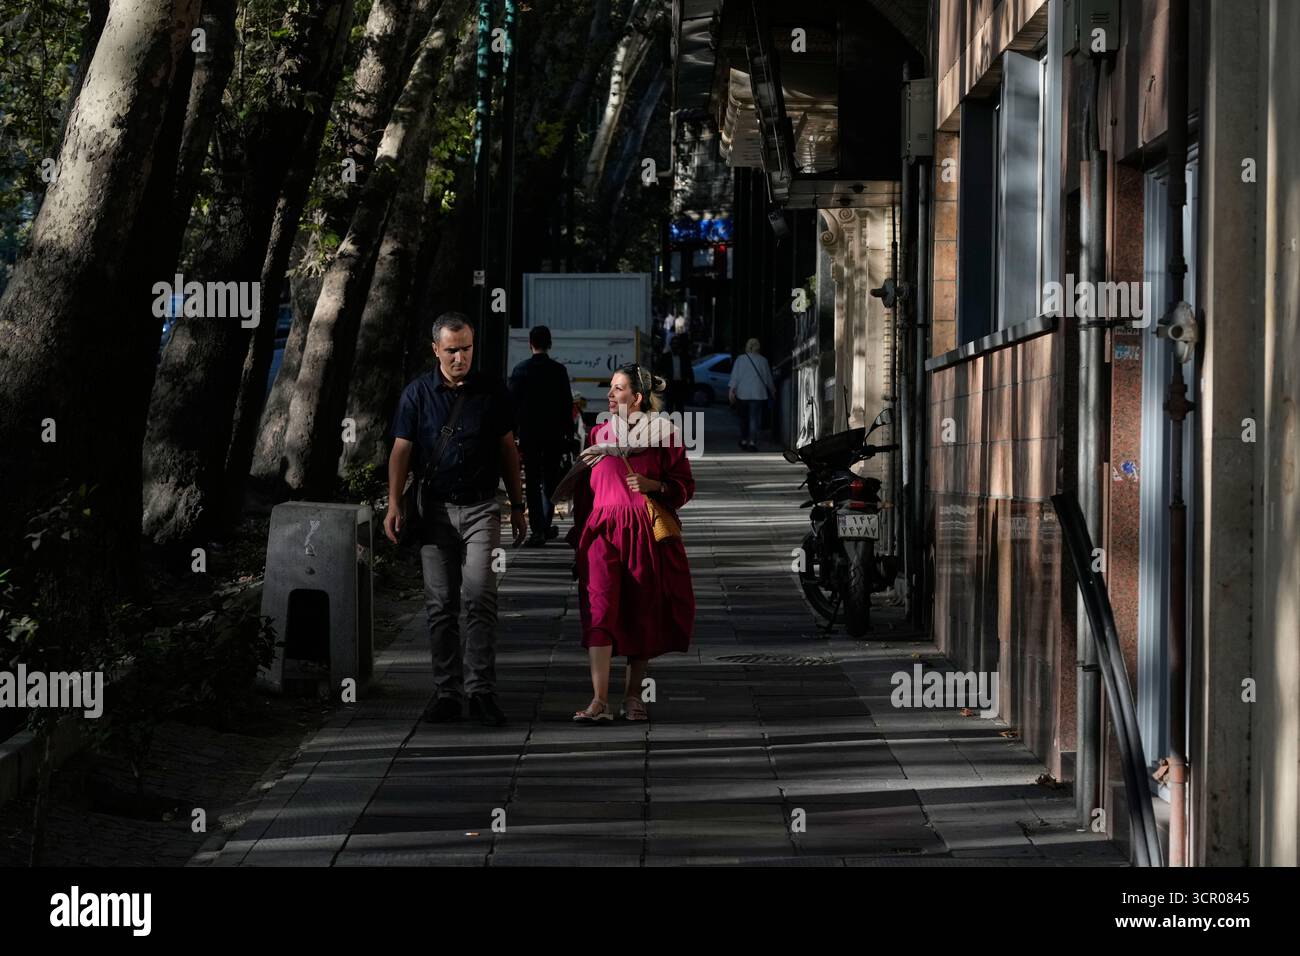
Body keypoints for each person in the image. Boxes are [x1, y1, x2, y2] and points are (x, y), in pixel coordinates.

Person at [384, 312, 527, 727]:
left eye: (466, 348)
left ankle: (481, 691)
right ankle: (447, 692)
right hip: (434, 513)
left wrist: (518, 506)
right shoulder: (417, 395)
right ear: (436, 350)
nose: (460, 357)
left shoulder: (491, 392)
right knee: (440, 606)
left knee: (480, 599)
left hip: (483, 507)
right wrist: (395, 504)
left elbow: (507, 450)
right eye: (451, 350)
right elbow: (400, 452)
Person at [558, 364, 696, 722]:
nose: (609, 394)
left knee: (641, 612)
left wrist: (655, 486)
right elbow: (586, 491)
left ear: (636, 397)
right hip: (602, 532)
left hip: (644, 533)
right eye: (610, 388)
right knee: (599, 610)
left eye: (617, 389)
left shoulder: (665, 436)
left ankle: (634, 696)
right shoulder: (599, 434)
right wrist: (579, 537)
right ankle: (599, 700)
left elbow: (684, 487)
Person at [507, 325, 573, 547]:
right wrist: (568, 434)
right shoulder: (559, 371)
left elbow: (512, 405)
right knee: (551, 481)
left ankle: (538, 529)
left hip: (529, 435)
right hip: (554, 435)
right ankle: (545, 524)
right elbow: (566, 405)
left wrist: (513, 432)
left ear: (530, 344)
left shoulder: (520, 370)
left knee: (533, 481)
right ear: (550, 344)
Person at [728, 337, 776, 451]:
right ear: (758, 347)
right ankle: (752, 442)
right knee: (754, 418)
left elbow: (735, 377)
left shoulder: (740, 359)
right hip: (758, 394)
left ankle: (744, 440)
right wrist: (773, 390)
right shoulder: (763, 360)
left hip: (742, 394)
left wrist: (731, 391)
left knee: (743, 418)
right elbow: (768, 378)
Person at [659, 330, 694, 416]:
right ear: (671, 345)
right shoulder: (666, 357)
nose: (675, 346)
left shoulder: (685, 357)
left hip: (681, 385)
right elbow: (660, 370)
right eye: (673, 344)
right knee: (669, 407)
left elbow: (689, 371)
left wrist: (691, 385)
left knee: (680, 407)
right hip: (670, 384)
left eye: (677, 344)